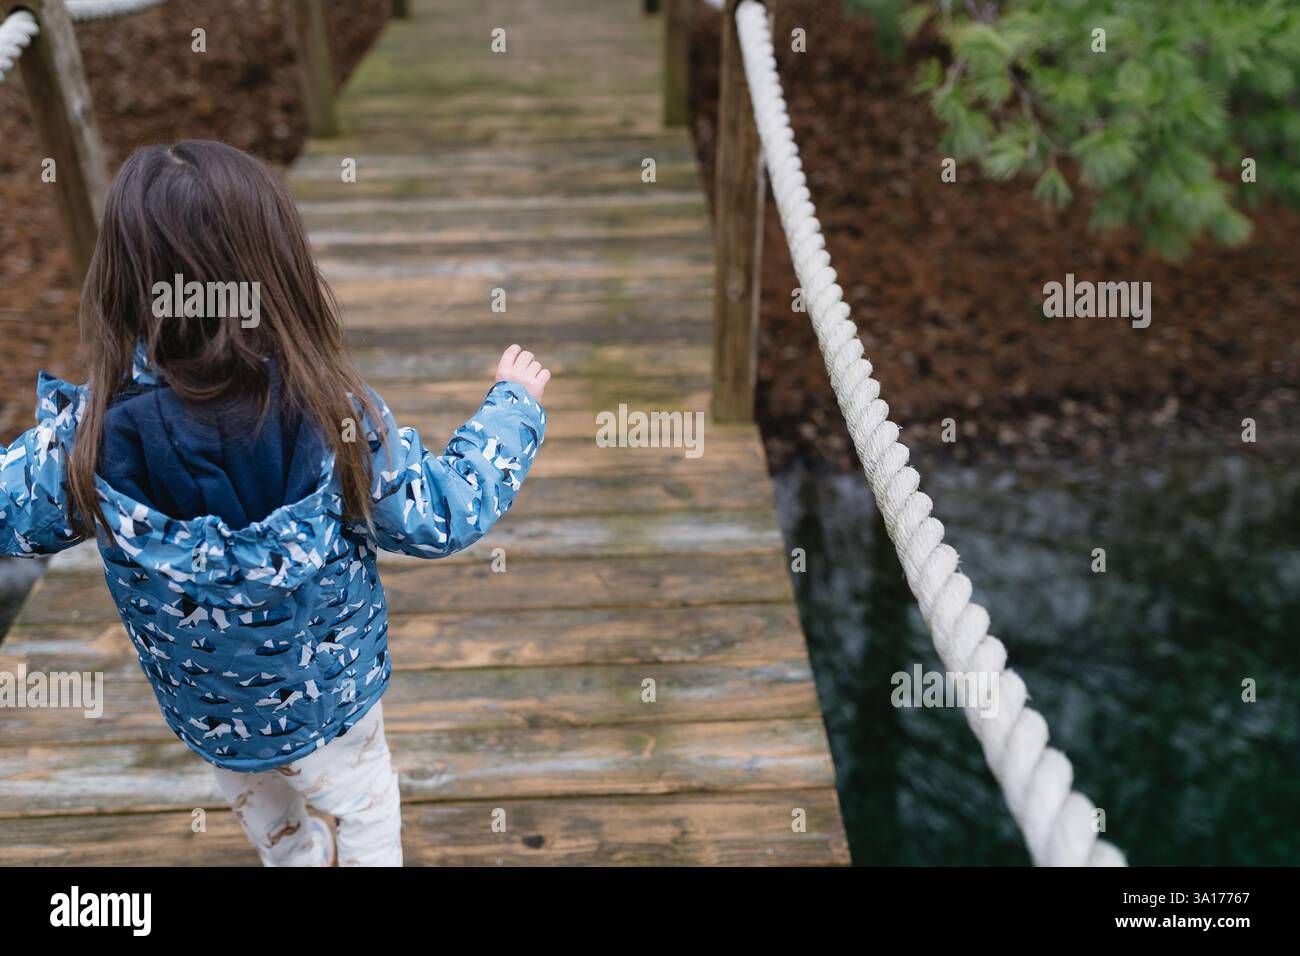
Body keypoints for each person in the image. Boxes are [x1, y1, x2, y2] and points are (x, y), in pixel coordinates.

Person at [0, 140, 551, 866]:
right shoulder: (334, 419)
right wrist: (512, 409)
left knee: (269, 817)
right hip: (334, 705)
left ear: (123, 286)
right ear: (278, 270)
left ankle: (293, 857)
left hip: (213, 715)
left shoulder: (83, 440)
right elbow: (439, 514)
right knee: (366, 806)